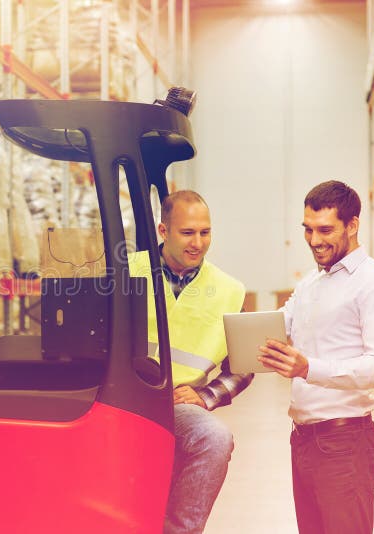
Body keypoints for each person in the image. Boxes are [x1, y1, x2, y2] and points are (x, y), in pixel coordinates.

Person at [258, 180, 374, 534]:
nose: (314, 240)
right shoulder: (311, 283)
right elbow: (275, 325)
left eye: (325, 230)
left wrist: (309, 369)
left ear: (352, 225)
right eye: (307, 229)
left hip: (344, 443)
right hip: (303, 439)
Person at [128, 190, 253, 533]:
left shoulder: (228, 290)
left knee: (215, 438)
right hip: (122, 398)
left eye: (205, 232)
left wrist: (205, 396)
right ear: (163, 231)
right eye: (187, 233)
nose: (198, 243)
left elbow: (243, 365)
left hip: (178, 405)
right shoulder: (126, 274)